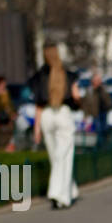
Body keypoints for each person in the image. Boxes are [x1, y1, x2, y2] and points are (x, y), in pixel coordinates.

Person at [26, 42, 82, 209]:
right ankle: (59, 194)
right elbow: (76, 96)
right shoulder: (68, 75)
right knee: (63, 156)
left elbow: (38, 105)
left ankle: (70, 190)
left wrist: (36, 128)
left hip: (46, 116)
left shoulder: (38, 77)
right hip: (62, 113)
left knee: (56, 157)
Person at [80, 71, 112, 145]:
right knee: (96, 131)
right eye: (96, 80)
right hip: (94, 114)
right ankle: (98, 146)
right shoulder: (89, 90)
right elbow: (85, 103)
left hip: (103, 113)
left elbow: (108, 101)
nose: (98, 81)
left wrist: (100, 89)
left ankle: (104, 146)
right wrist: (85, 115)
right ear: (92, 81)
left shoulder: (103, 89)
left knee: (103, 130)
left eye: (99, 80)